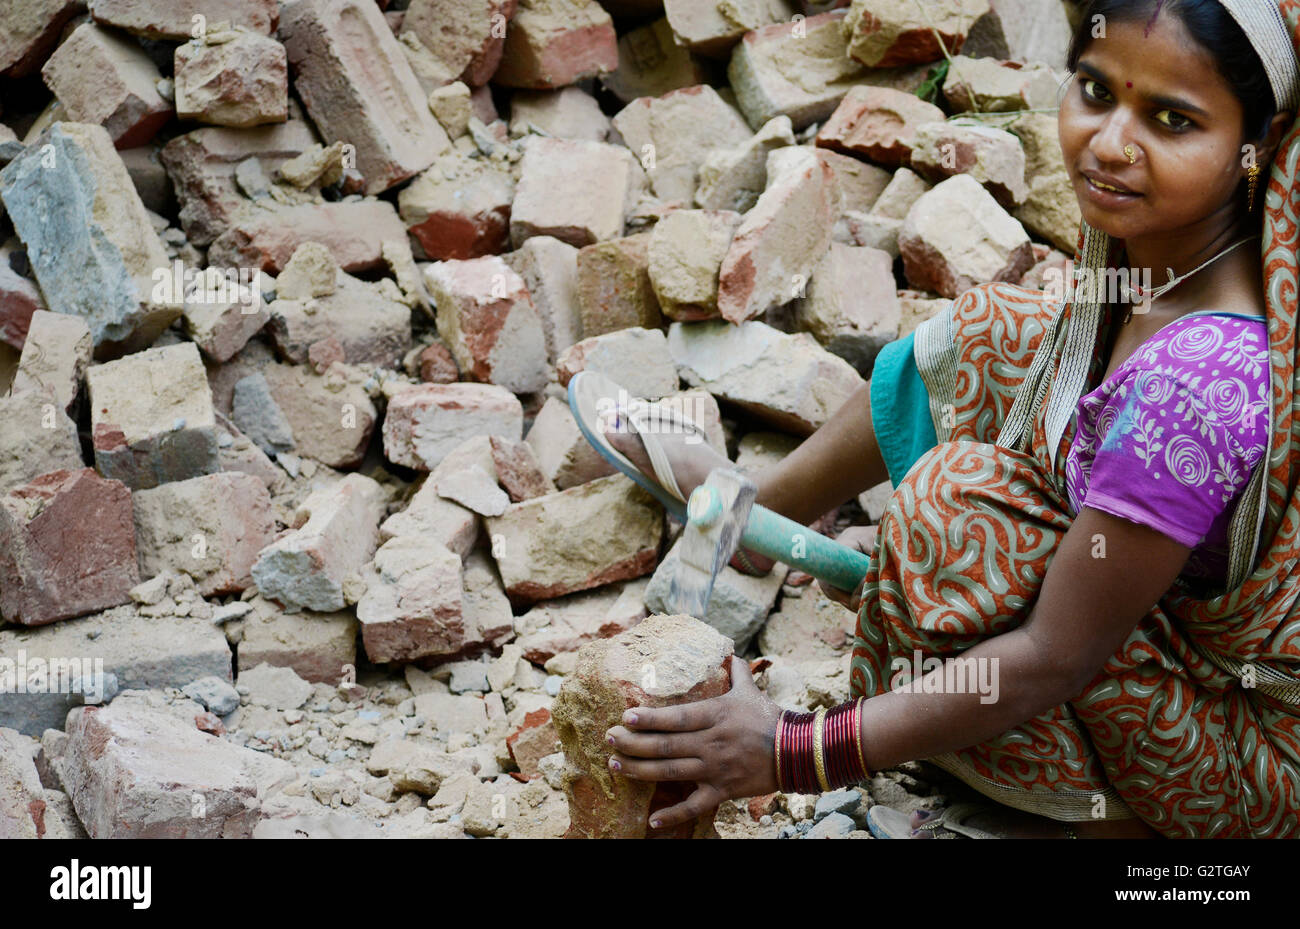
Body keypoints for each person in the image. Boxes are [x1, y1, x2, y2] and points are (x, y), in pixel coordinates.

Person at [599, 0, 1300, 838]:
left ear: (1260, 144)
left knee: (949, 513)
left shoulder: (1200, 382)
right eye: (1095, 88)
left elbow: (1056, 653)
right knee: (991, 332)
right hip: (1153, 614)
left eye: (1172, 120)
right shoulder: (1160, 262)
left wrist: (793, 750)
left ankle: (1117, 827)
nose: (1112, 142)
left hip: (1241, 751)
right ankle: (756, 514)